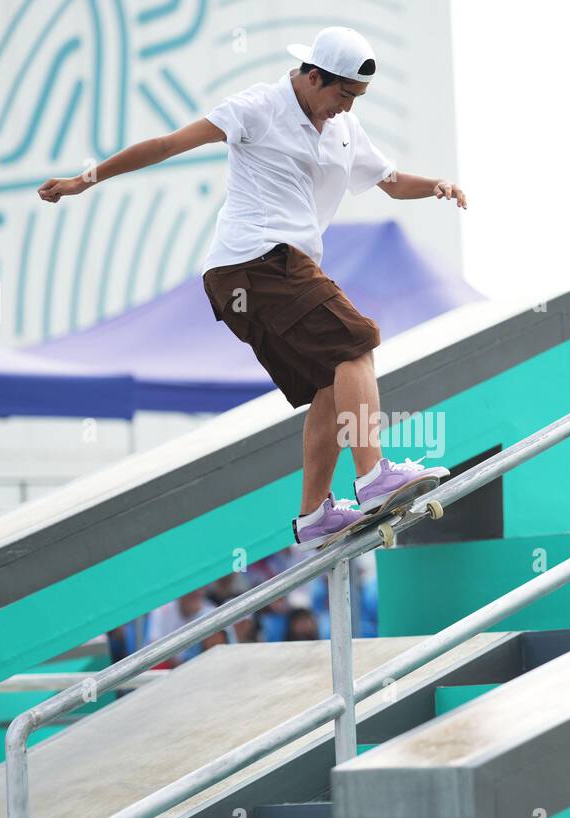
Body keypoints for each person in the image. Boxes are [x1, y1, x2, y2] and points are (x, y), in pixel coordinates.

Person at [38, 26, 460, 551]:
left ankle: (314, 516)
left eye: (356, 99)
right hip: (256, 263)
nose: (346, 108)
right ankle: (373, 475)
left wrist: (436, 186)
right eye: (341, 95)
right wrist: (86, 179)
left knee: (332, 384)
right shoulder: (258, 107)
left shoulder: (344, 128)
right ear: (311, 76)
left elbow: (391, 182)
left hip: (266, 274)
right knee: (357, 343)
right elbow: (168, 144)